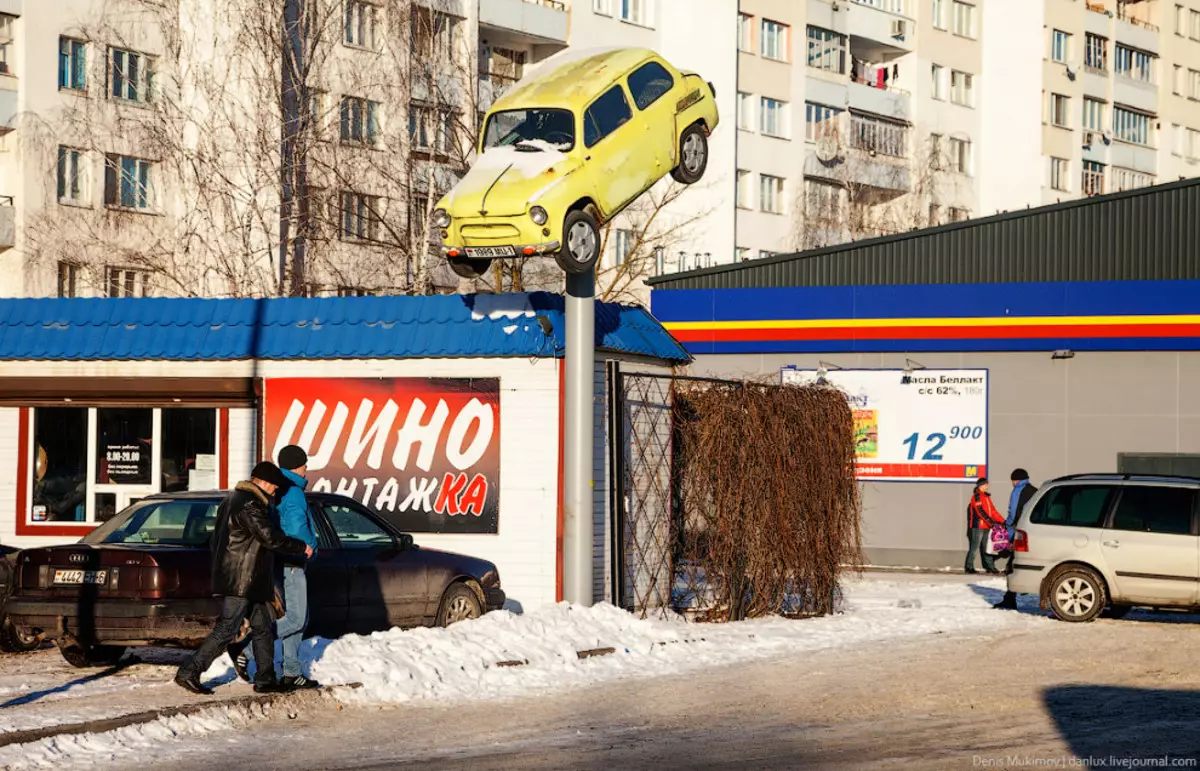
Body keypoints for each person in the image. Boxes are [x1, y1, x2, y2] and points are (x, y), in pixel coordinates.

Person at [174, 462, 311, 695]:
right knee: (228, 628)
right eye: (275, 487)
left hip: (250, 576)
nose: (276, 491)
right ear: (264, 483)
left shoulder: (232, 499)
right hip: (242, 577)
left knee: (263, 627)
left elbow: (218, 538)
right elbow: (269, 536)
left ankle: (266, 678)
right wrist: (300, 547)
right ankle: (189, 671)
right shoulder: (250, 503)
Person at [994, 468, 1038, 610]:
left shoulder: (1018, 491)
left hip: (1019, 532)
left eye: (1013, 480)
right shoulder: (1035, 490)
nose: (1012, 483)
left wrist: (1007, 528)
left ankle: (1010, 599)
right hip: (1033, 531)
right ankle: (1012, 596)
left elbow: (1012, 512)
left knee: (1012, 565)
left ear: (1016, 480)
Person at [964, 477, 1005, 574]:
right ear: (980, 486)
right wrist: (992, 523)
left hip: (987, 526)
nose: (987, 486)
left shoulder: (986, 497)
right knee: (975, 548)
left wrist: (1003, 521)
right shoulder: (976, 497)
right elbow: (980, 512)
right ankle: (969, 567)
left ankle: (990, 567)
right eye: (986, 484)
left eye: (987, 484)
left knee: (987, 548)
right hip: (978, 527)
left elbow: (993, 511)